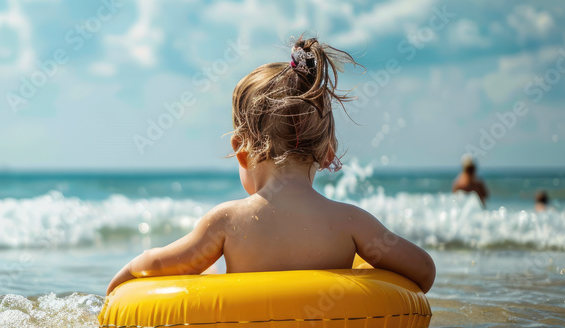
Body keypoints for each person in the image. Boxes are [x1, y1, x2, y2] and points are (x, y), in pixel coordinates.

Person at [107, 37, 435, 296]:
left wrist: (121, 282)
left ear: (240, 150)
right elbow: (422, 269)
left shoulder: (227, 221)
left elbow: (158, 264)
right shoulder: (352, 222)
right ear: (328, 152)